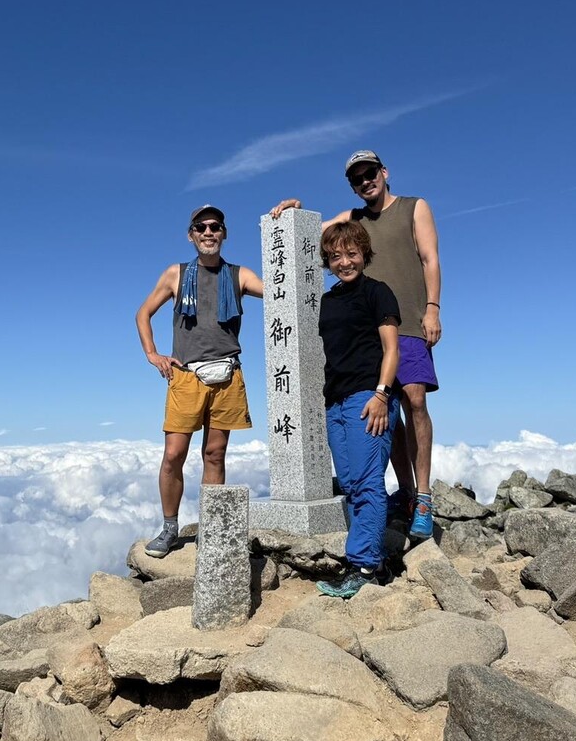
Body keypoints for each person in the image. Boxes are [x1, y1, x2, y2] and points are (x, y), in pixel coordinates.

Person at [270, 149, 442, 539]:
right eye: (357, 178)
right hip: (367, 332)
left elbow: (430, 259)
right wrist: (296, 211)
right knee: (388, 409)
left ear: (384, 172)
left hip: (409, 320)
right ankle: (407, 492)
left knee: (415, 399)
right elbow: (316, 235)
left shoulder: (414, 207)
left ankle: (424, 496)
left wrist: (433, 308)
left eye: (370, 173)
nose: (366, 181)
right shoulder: (354, 217)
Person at [135, 204, 265, 558]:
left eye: (215, 227)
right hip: (186, 376)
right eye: (201, 227)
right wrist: (153, 354)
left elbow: (278, 290)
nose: (209, 232)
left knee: (215, 454)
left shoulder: (238, 275)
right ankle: (169, 528)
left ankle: (211, 529)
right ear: (191, 235)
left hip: (227, 375)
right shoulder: (175, 274)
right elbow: (143, 313)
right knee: (173, 454)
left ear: (224, 233)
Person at [315, 220, 400, 598]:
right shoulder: (328, 300)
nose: (344, 262)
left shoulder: (377, 292)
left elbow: (392, 349)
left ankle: (364, 566)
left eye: (351, 254)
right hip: (334, 401)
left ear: (364, 254)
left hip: (368, 397)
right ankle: (372, 560)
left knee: (367, 482)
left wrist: (382, 394)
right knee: (350, 484)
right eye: (335, 256)